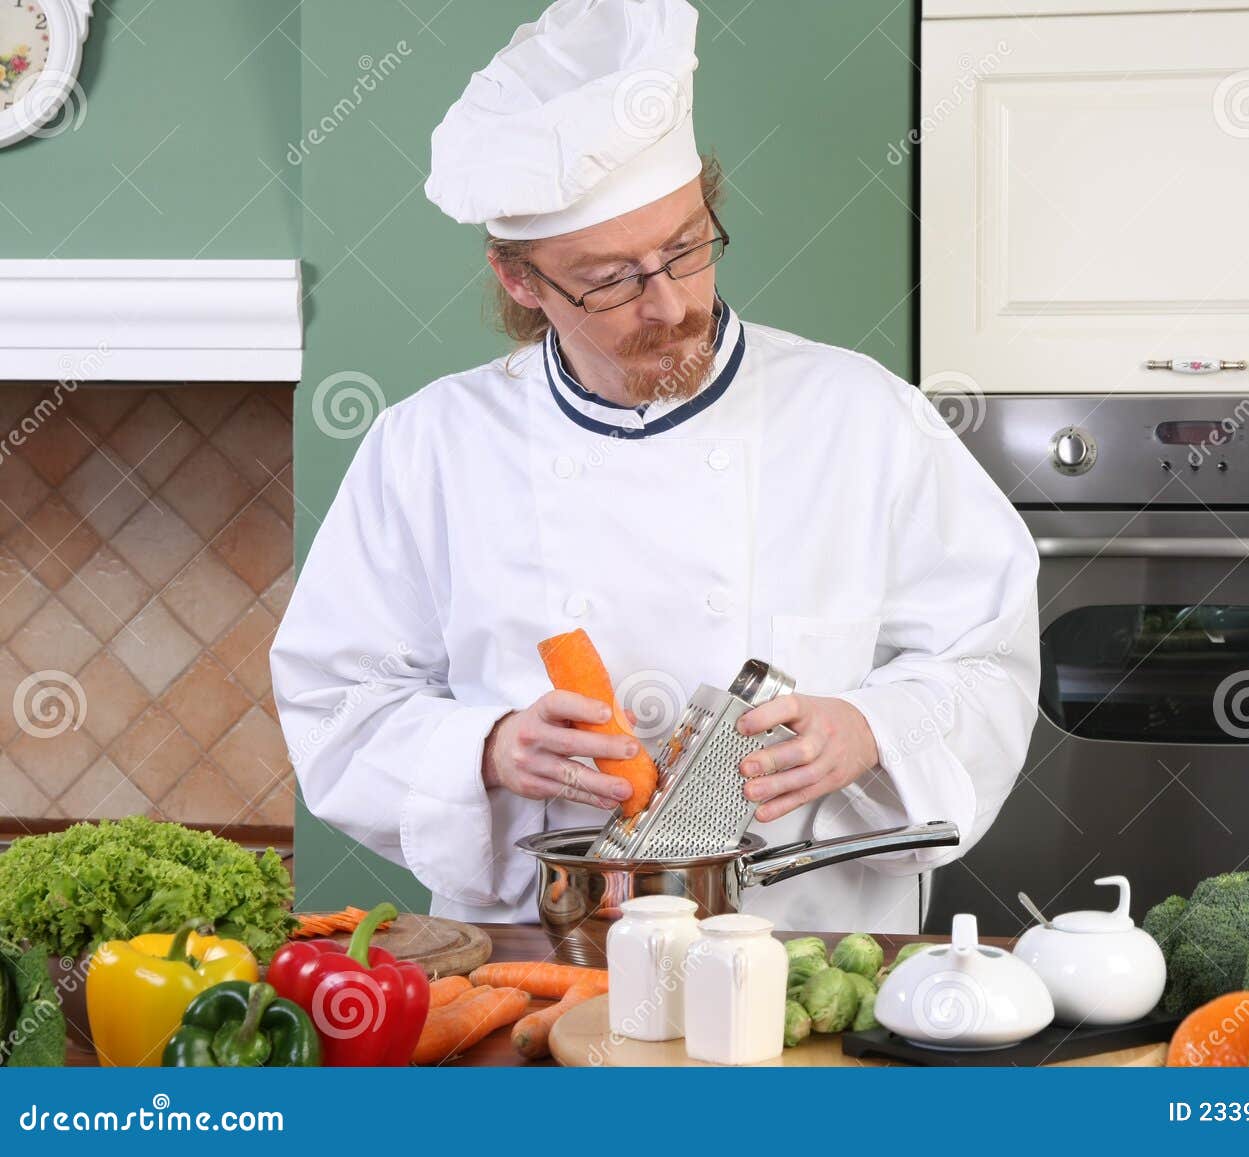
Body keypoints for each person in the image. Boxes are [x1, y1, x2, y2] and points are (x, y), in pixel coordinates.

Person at [270, 0, 1039, 933]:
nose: (670, 304)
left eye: (685, 248)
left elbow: (989, 661)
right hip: (542, 947)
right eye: (611, 279)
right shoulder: (426, 446)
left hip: (806, 940)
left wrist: (873, 727)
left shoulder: (865, 416)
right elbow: (334, 698)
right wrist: (487, 747)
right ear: (521, 280)